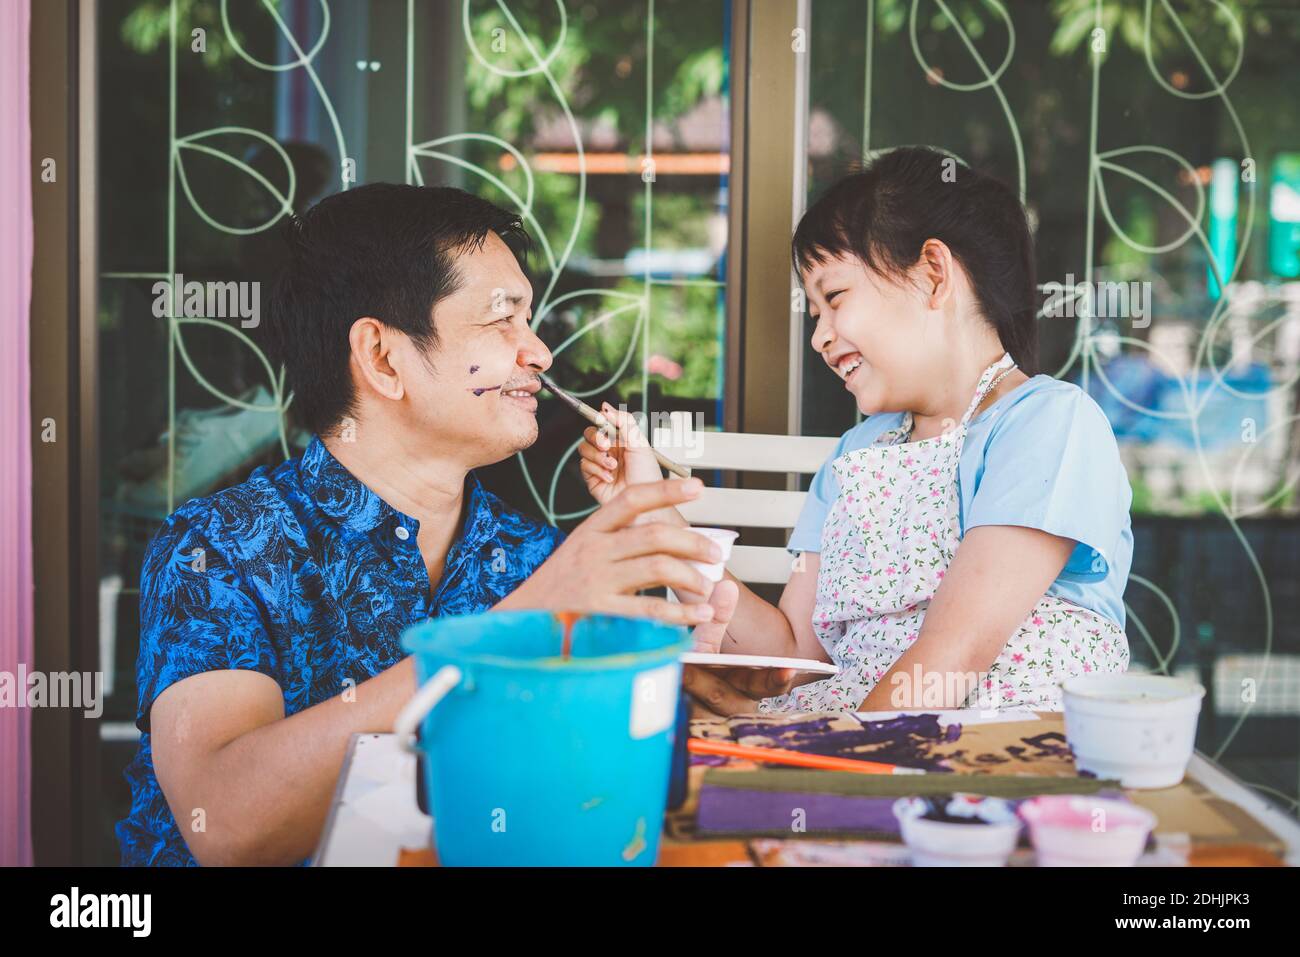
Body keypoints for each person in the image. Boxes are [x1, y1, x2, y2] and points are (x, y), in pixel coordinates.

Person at [118, 184, 737, 866]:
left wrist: (683, 685)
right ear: (383, 358)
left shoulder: (531, 557)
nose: (539, 352)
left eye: (529, 319)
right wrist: (523, 621)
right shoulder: (219, 550)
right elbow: (226, 826)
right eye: (502, 319)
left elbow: (581, 795)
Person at [579, 147, 1132, 717]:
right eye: (814, 312)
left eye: (834, 298)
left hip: (995, 745)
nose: (818, 337)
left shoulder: (1048, 423)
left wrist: (838, 752)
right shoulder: (857, 453)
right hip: (859, 732)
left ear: (933, 273)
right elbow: (794, 655)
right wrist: (648, 507)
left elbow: (954, 652)